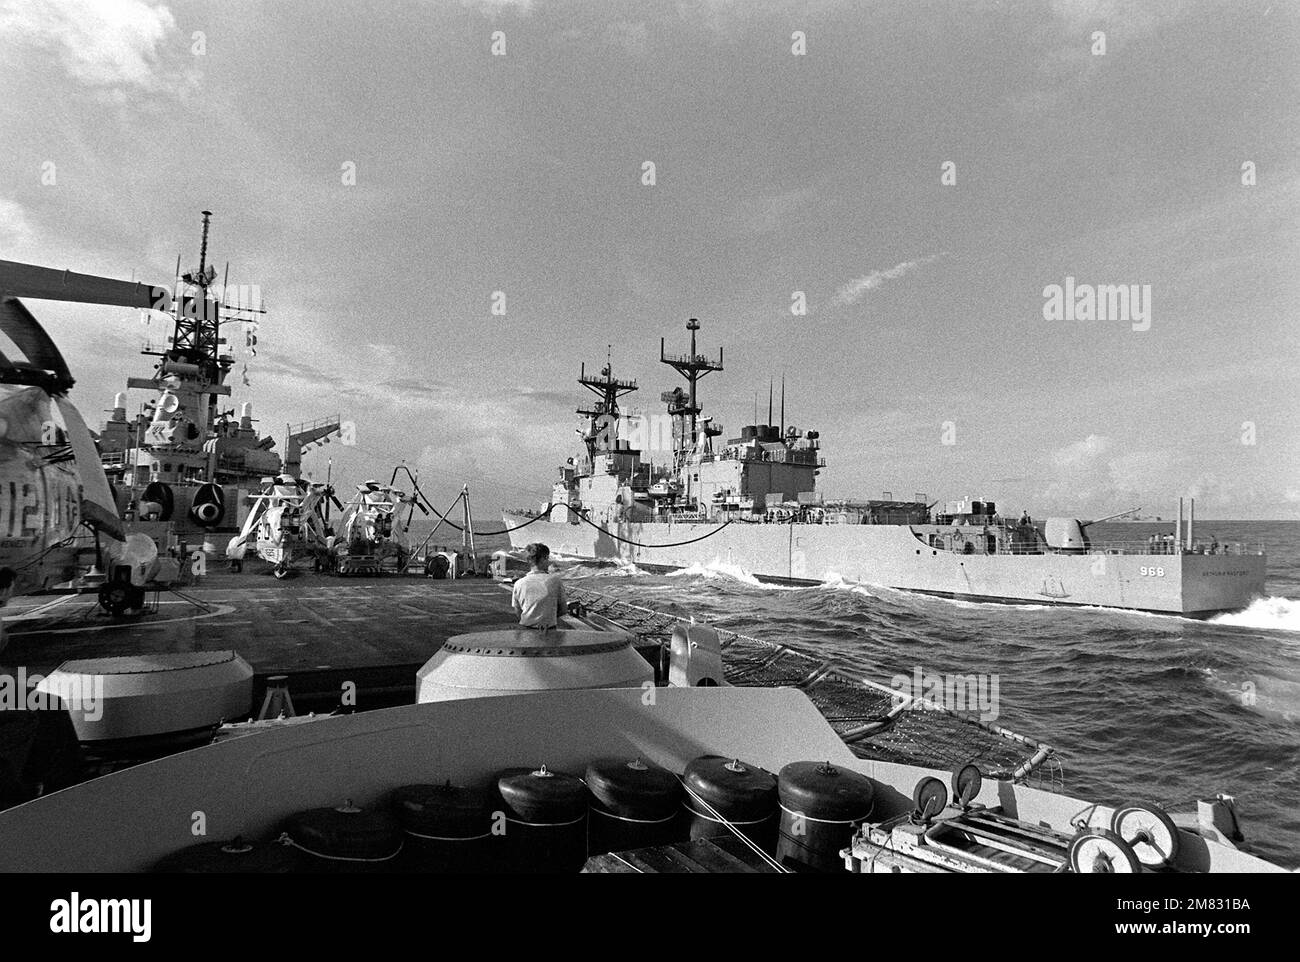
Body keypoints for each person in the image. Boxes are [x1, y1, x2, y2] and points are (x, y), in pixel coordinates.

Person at [511, 543, 566, 630]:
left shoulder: (518, 583)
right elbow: (563, 610)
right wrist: (547, 618)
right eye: (547, 558)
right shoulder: (555, 581)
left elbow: (518, 612)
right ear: (543, 559)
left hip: (526, 631)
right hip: (549, 630)